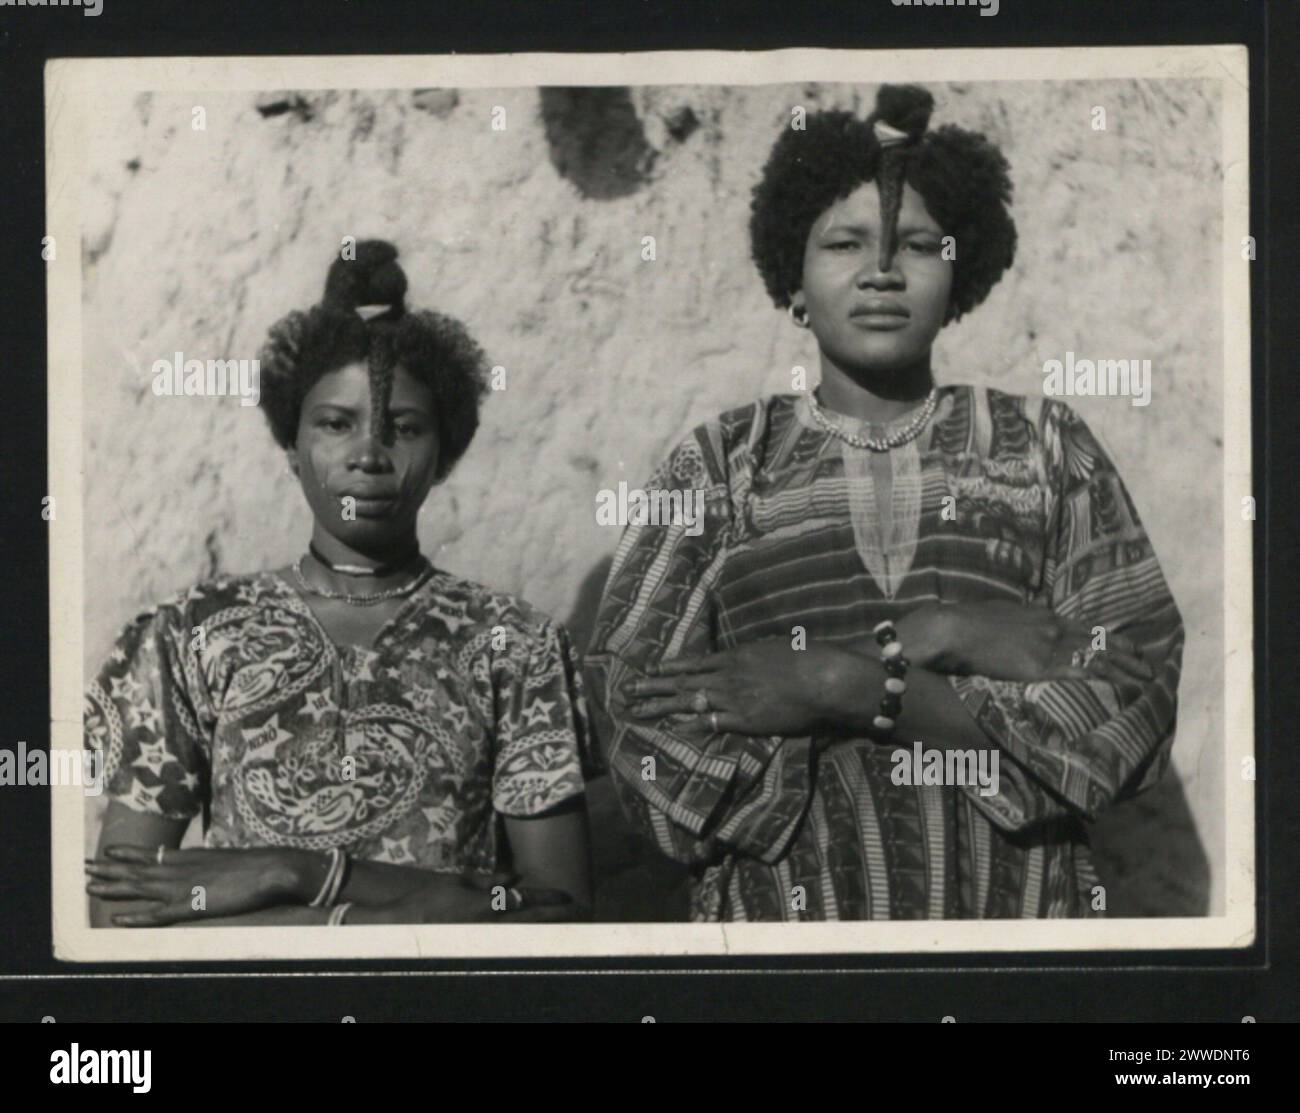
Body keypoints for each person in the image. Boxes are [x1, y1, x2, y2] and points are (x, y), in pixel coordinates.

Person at [585, 85, 1184, 921]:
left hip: (1013, 935)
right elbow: (640, 717)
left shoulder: (1047, 450)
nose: (882, 272)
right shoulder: (718, 467)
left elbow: (1128, 699)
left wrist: (832, 682)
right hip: (787, 939)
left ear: (960, 274)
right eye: (844, 243)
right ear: (793, 279)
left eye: (918, 246)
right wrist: (946, 645)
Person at [84, 241, 595, 926]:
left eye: (404, 428)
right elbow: (118, 917)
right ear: (291, 446)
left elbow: (559, 916)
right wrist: (391, 913)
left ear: (446, 454)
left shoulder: (514, 645)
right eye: (335, 423)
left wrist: (299, 871)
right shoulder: (186, 637)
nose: (368, 455)